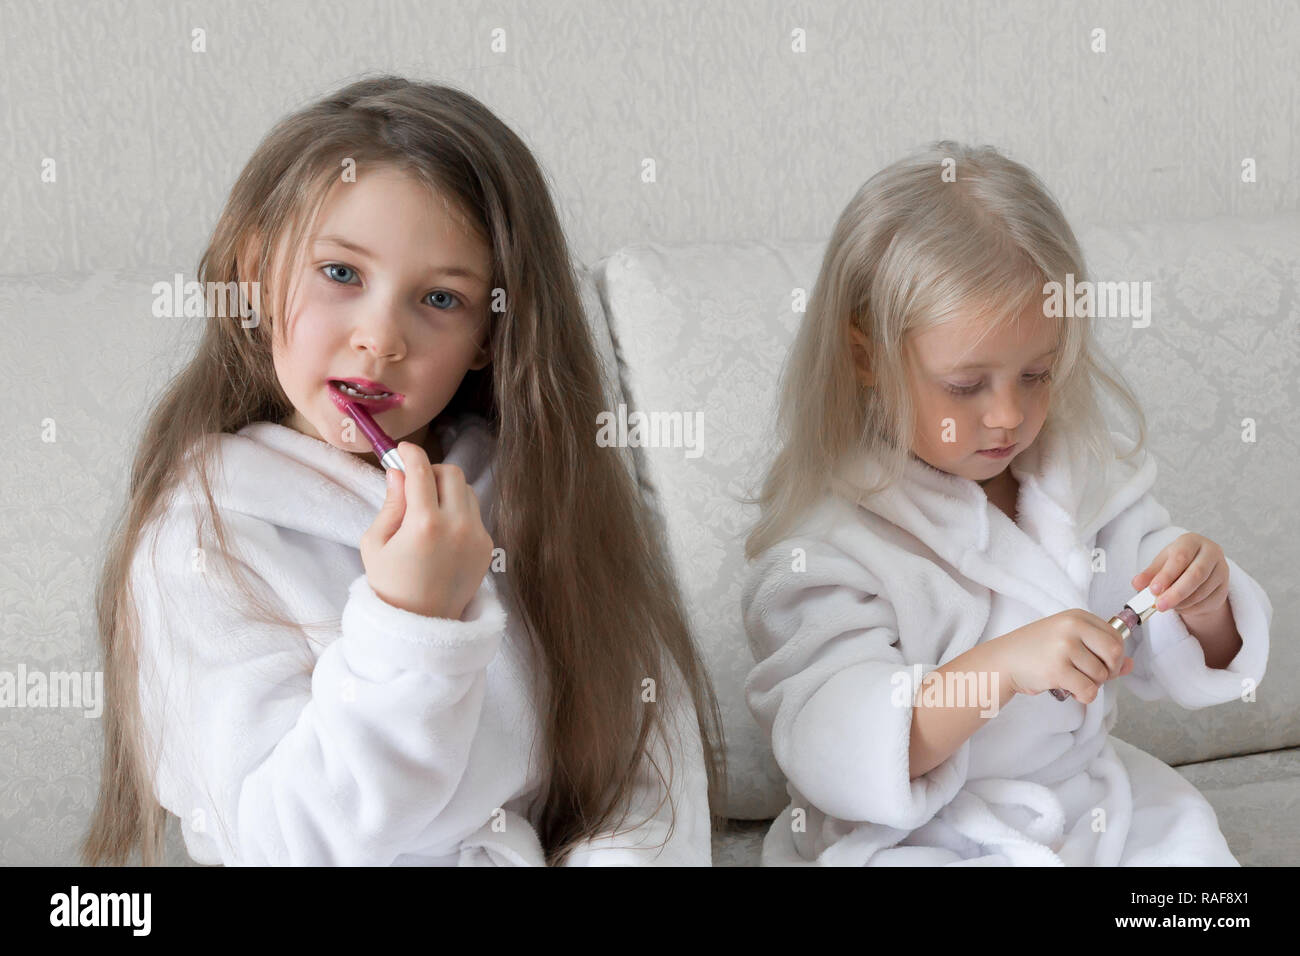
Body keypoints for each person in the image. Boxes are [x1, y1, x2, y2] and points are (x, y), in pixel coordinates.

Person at [82, 75, 724, 866]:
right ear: (254, 271)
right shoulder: (204, 538)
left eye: (440, 299)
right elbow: (291, 844)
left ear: (490, 334)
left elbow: (650, 780)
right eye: (342, 274)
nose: (381, 338)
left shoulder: (538, 500)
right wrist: (410, 624)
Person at [741, 141, 1270, 866]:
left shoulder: (1081, 480)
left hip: (1086, 801)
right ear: (866, 356)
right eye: (966, 386)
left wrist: (1202, 601)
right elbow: (833, 743)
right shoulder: (827, 541)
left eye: (1037, 374)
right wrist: (1002, 668)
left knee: (1191, 865)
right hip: (914, 831)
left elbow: (1164, 633)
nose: (1007, 417)